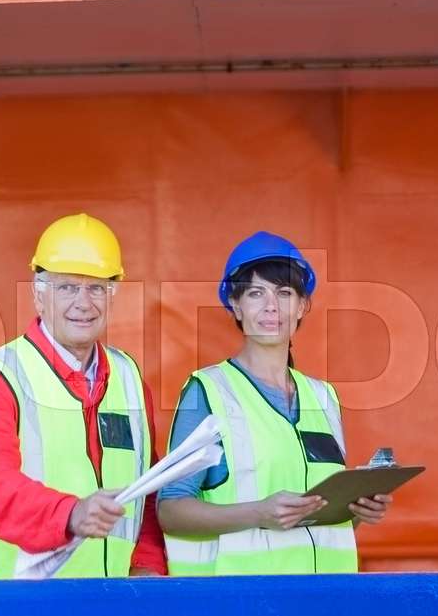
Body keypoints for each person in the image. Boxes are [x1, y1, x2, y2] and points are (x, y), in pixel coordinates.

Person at [157, 231, 388, 575]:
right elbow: (170, 511)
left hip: (326, 595)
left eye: (284, 293)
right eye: (255, 293)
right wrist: (258, 513)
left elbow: (318, 524)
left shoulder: (323, 398)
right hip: (245, 597)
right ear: (235, 305)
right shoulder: (207, 391)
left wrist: (356, 510)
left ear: (302, 306)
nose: (271, 306)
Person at [0, 213, 166, 579]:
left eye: (96, 288)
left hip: (107, 601)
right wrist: (69, 514)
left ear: (112, 296)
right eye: (67, 287)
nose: (83, 303)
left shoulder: (128, 377)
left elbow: (144, 493)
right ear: (38, 296)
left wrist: (147, 567)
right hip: (12, 602)